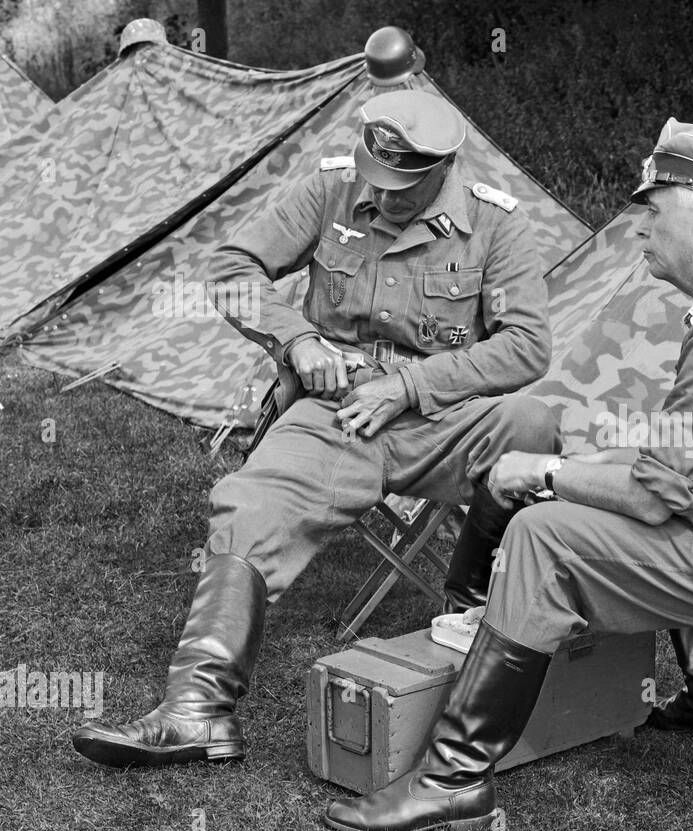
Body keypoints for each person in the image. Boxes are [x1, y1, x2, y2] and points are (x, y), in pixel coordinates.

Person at [323, 118, 693, 831]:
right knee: (605, 478)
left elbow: (661, 494)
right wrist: (577, 467)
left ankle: (453, 779)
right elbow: (688, 466)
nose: (638, 233)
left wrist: (548, 474)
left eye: (651, 215)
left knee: (544, 536)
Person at [71, 90, 560, 769]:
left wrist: (412, 384)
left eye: (402, 184)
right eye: (375, 176)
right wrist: (297, 340)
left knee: (532, 422)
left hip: (444, 416)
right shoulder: (331, 188)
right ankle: (196, 712)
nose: (382, 193)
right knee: (250, 504)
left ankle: (471, 612)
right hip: (338, 413)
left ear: (440, 168)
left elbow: (527, 347)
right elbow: (230, 269)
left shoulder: (495, 224)